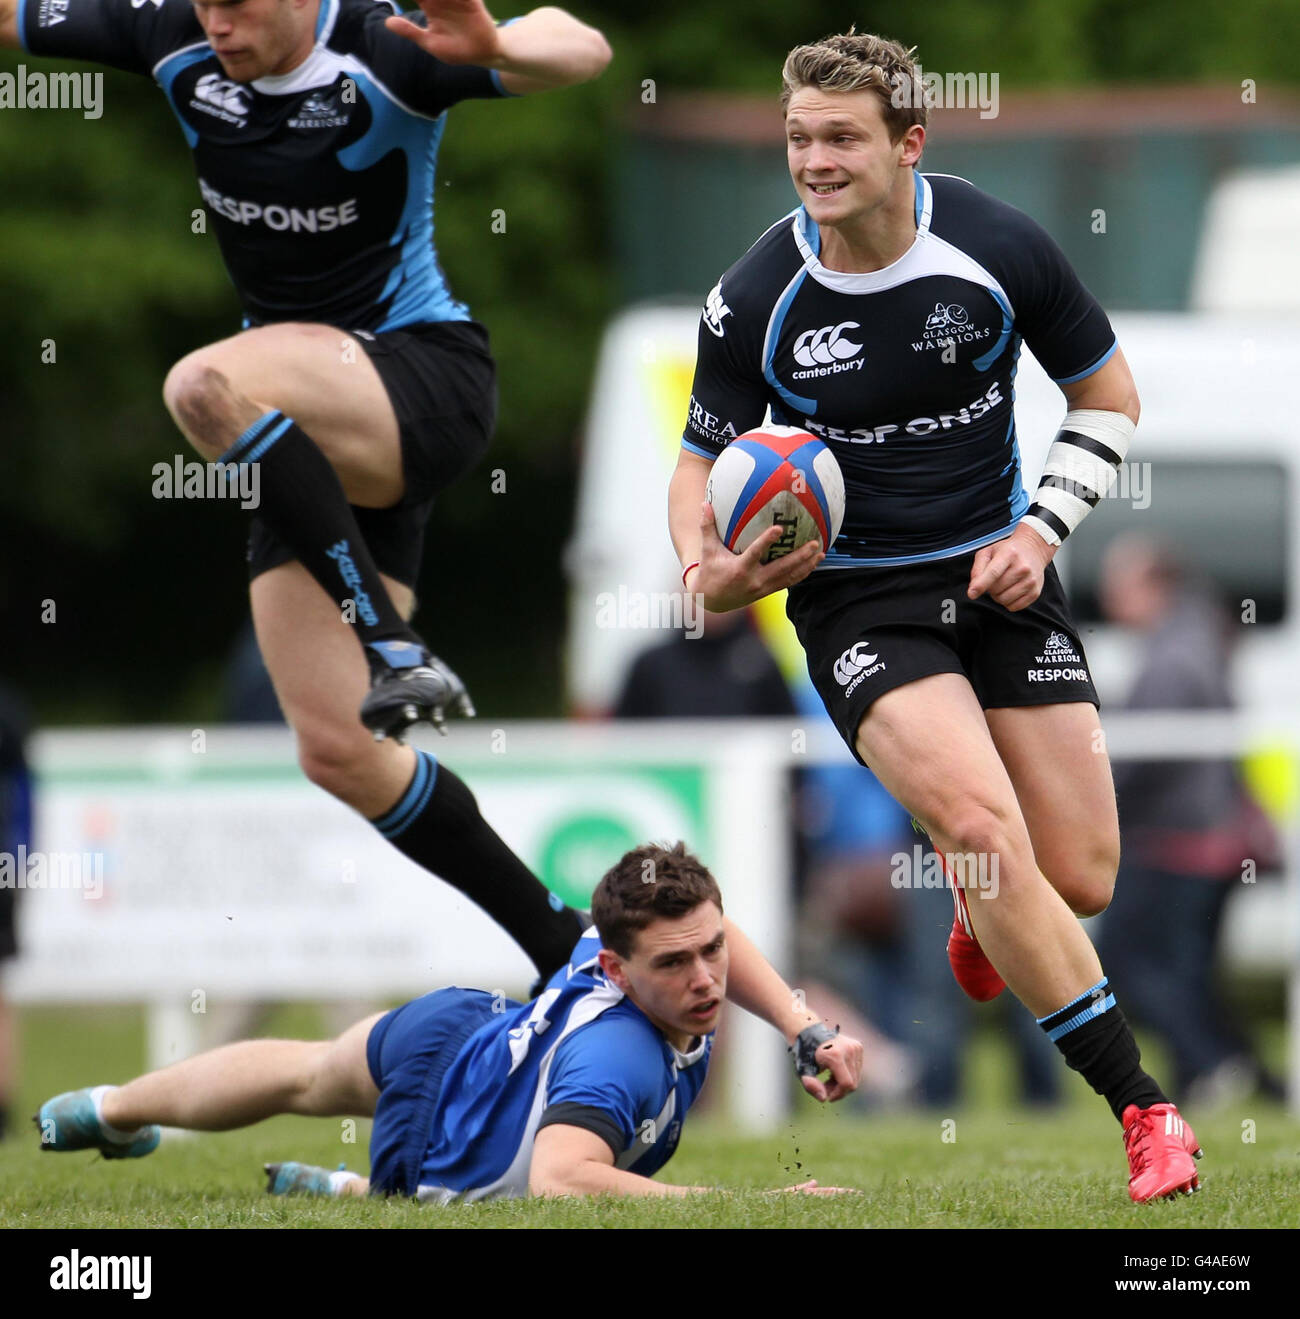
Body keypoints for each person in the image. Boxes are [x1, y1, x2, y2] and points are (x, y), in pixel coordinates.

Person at [667, 31, 1200, 1202]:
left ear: (910, 143)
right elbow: (698, 464)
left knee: (1083, 874)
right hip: (858, 599)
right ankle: (1144, 1107)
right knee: (976, 818)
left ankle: (976, 888)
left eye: (842, 137)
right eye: (799, 137)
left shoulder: (997, 247)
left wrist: (1039, 532)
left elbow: (1107, 399)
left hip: (998, 573)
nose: (814, 159)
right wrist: (705, 566)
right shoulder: (756, 293)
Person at [0, 0, 611, 983]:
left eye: (238, 6)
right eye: (204, 3)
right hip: (301, 434)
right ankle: (562, 941)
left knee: (200, 383)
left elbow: (584, 48)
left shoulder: (384, 48)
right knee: (336, 749)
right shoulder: (173, 35)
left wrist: (495, 49)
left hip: (420, 383)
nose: (218, 25)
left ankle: (394, 645)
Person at [36, 843, 863, 1200]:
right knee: (347, 1113)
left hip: (469, 1027)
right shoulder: (621, 1058)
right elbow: (560, 1179)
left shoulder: (636, 943)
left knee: (307, 1070)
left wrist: (803, 1026)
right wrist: (737, 1197)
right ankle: (369, 1187)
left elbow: (715, 936)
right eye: (676, 964)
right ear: (614, 968)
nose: (705, 976)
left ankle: (108, 1106)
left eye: (710, 949)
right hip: (437, 1122)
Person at [1097, 535, 1282, 1105]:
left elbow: (1143, 754)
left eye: (1117, 586)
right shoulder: (1198, 637)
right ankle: (1251, 1081)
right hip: (1206, 843)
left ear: (1154, 585)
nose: (1107, 601)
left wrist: (1091, 800)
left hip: (1175, 844)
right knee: (1191, 979)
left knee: (1127, 966)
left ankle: (1215, 1063)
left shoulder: (1176, 653)